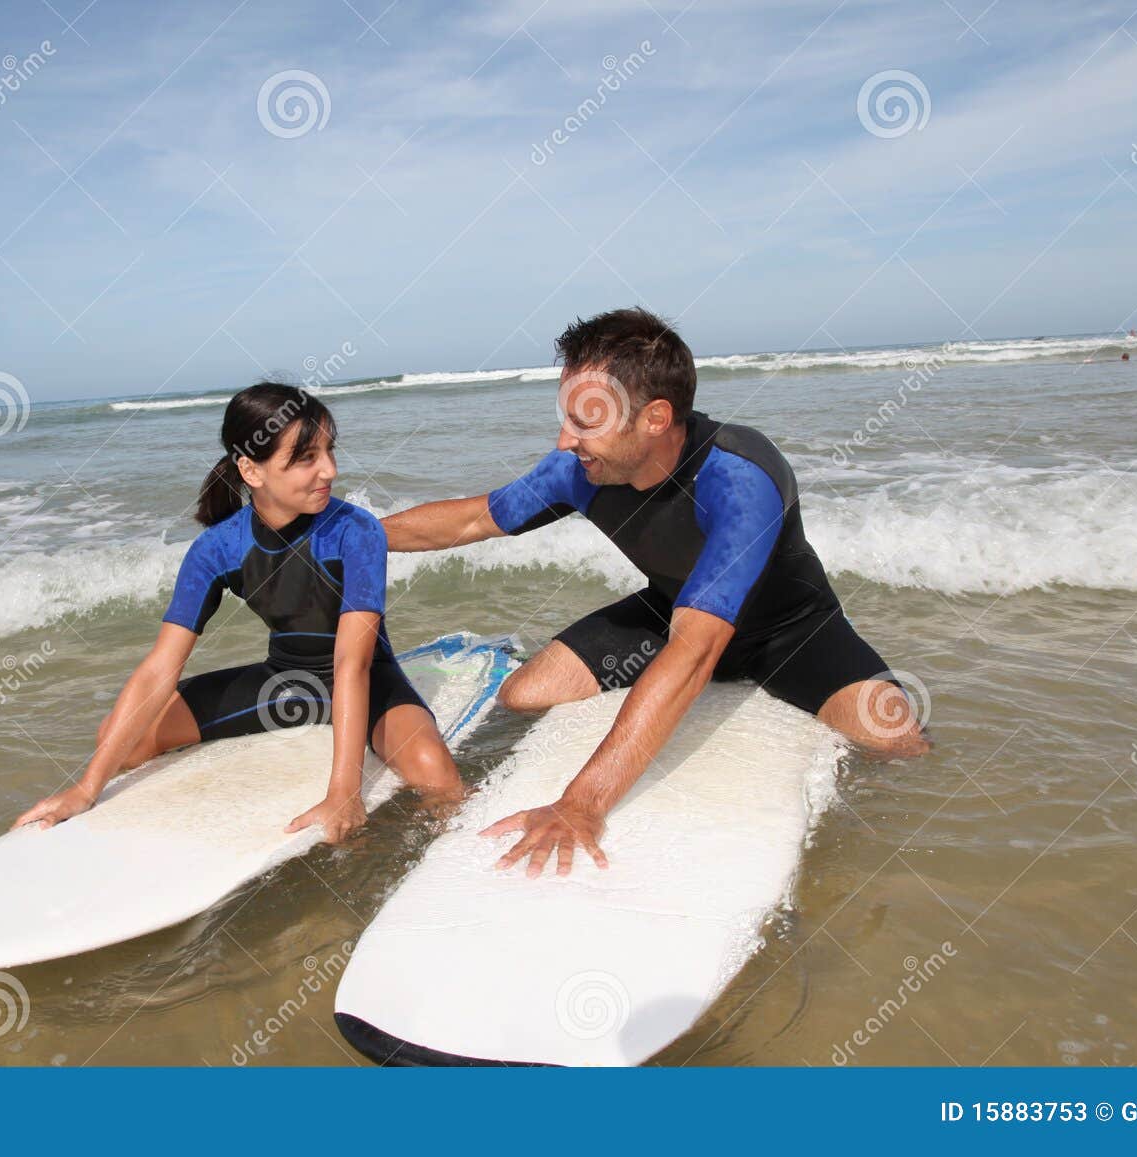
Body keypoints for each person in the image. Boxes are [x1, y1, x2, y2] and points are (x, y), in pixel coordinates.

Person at [381, 308, 929, 877]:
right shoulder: (580, 470)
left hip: (791, 631)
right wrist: (355, 538)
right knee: (523, 695)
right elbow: (472, 520)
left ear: (655, 418)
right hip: (668, 613)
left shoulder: (740, 479)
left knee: (898, 742)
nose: (565, 439)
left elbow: (694, 650)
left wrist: (581, 804)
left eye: (585, 422)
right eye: (567, 419)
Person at [13, 382, 459, 842]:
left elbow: (353, 663)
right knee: (121, 740)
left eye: (329, 450)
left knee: (438, 777)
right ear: (251, 469)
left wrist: (344, 792)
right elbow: (159, 668)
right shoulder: (216, 548)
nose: (329, 469)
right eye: (306, 457)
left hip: (368, 678)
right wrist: (87, 788)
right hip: (286, 680)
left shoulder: (355, 530)